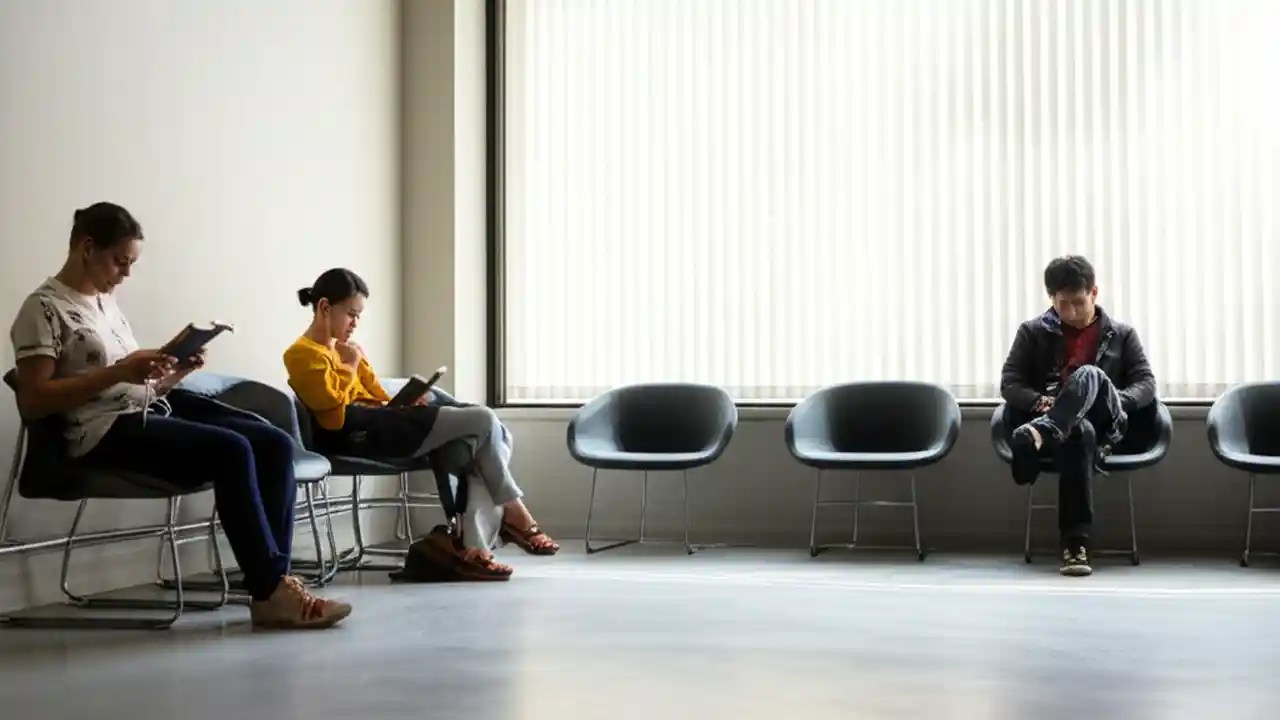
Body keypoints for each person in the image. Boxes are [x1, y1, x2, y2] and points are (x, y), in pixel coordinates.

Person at [9, 202, 352, 629]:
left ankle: (274, 584)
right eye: (120, 261)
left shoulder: (105, 305)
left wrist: (174, 371)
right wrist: (120, 370)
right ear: (87, 248)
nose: (126, 274)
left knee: (273, 442)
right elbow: (33, 400)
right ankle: (269, 591)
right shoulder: (42, 309)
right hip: (103, 430)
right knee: (231, 449)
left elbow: (133, 381)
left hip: (148, 407)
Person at [282, 268, 559, 570]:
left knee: (483, 437)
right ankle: (513, 512)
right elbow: (329, 402)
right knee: (484, 420)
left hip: (384, 422)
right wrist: (350, 366)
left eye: (359, 316)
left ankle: (475, 548)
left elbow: (375, 392)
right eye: (351, 314)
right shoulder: (300, 353)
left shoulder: (349, 350)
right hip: (356, 434)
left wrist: (403, 400)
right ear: (324, 307)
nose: (355, 324)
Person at [1000, 255, 1156, 577]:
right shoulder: (1032, 333)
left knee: (1089, 375)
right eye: (1062, 304)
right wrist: (1042, 402)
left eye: (1078, 302)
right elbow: (1010, 383)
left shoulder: (1121, 334)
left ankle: (1040, 432)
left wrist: (1110, 396)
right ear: (1051, 299)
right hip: (1075, 430)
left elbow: (1146, 383)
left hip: (1108, 422)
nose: (1070, 312)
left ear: (1094, 293)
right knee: (1076, 430)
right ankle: (1075, 545)